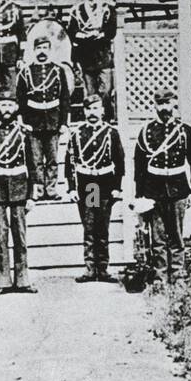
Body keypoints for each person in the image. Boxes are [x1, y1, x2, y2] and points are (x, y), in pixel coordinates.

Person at [132, 89, 191, 282]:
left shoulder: (184, 131)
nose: (164, 108)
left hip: (179, 188)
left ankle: (178, 274)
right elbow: (139, 166)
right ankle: (159, 276)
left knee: (177, 236)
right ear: (155, 106)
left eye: (167, 104)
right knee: (158, 237)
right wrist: (140, 195)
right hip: (153, 191)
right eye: (160, 104)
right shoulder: (146, 132)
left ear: (174, 105)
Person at [0, 94, 38, 294]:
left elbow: (32, 165)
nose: (7, 108)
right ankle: (4, 279)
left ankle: (22, 278)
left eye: (10, 104)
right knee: (0, 234)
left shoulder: (23, 134)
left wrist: (31, 195)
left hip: (19, 186)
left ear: (16, 107)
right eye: (3, 104)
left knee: (19, 234)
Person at [64, 95, 126, 282]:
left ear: (102, 111)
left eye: (96, 108)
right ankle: (90, 269)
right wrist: (72, 189)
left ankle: (103, 269)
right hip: (89, 185)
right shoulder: (77, 134)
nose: (92, 113)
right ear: (84, 111)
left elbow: (119, 162)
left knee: (103, 228)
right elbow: (70, 164)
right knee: (90, 227)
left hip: (105, 184)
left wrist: (117, 187)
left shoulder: (111, 133)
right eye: (89, 109)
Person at [15, 34, 73, 200]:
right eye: (39, 48)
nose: (42, 52)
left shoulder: (58, 70)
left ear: (50, 50)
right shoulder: (26, 72)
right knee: (35, 160)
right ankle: (38, 191)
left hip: (53, 122)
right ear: (34, 50)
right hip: (33, 122)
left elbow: (64, 98)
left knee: (53, 159)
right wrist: (23, 121)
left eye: (45, 48)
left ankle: (52, 189)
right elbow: (21, 99)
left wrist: (64, 123)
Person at [66, 0, 119, 120]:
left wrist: (99, 34)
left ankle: (107, 119)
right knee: (90, 91)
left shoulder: (107, 9)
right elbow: (71, 31)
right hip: (86, 56)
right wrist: (81, 36)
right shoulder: (76, 11)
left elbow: (111, 30)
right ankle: (91, 119)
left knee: (106, 90)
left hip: (103, 56)